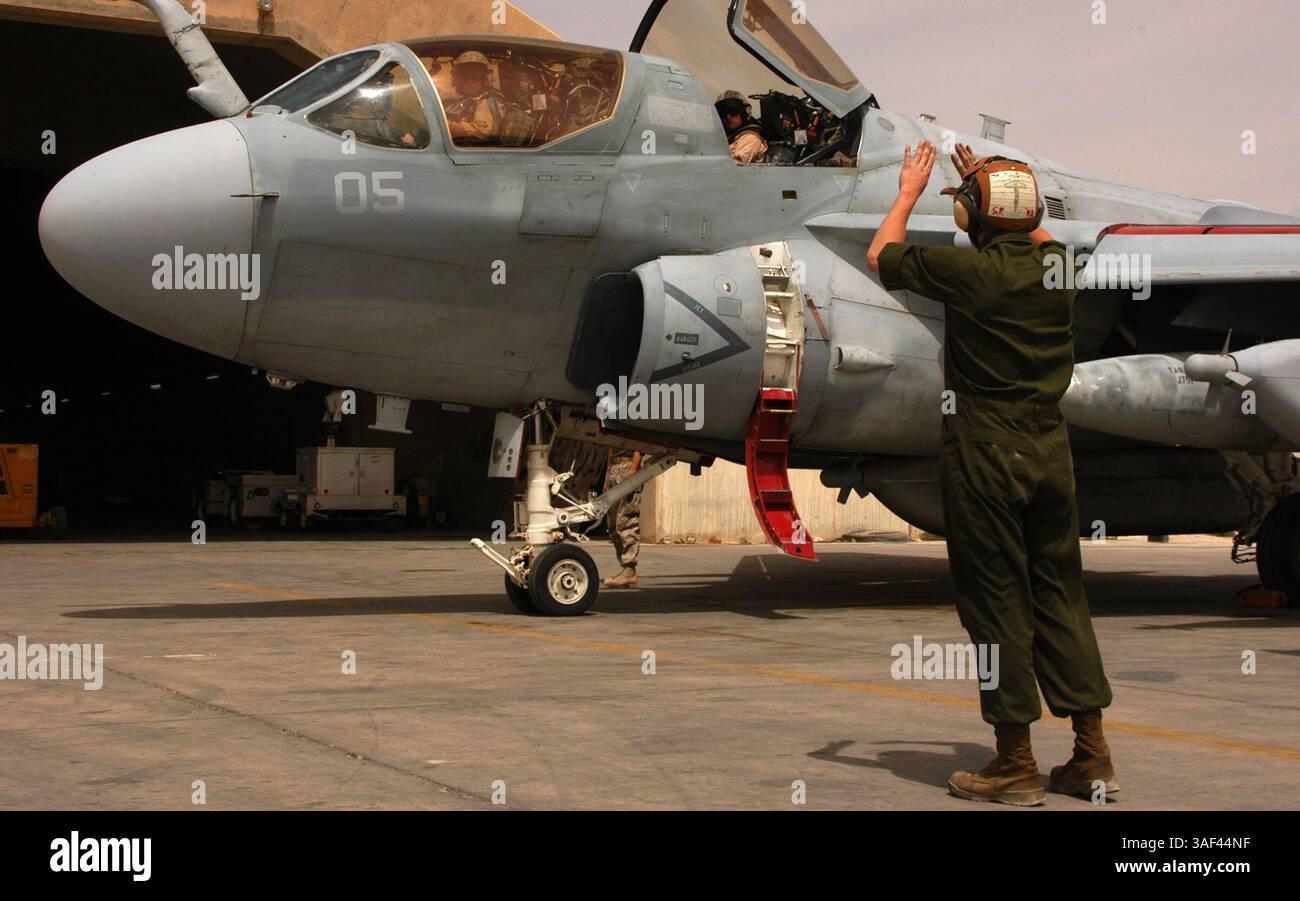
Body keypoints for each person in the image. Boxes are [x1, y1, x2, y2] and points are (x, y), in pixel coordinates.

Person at [866, 140, 1116, 807]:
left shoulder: (968, 273)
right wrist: (998, 190)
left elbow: (880, 254)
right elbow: (1031, 232)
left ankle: (1014, 764)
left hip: (986, 451)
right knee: (1061, 592)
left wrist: (910, 191)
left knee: (996, 601)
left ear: (975, 217)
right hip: (1049, 451)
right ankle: (1091, 756)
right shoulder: (1059, 265)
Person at [444, 51, 505, 144]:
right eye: (466, 77)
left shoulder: (488, 102)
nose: (471, 82)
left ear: (484, 79)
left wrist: (446, 124)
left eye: (476, 77)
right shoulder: (456, 101)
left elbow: (482, 132)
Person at [603, 448, 642, 588]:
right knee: (612, 525)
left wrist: (633, 469)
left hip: (627, 467)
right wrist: (607, 476)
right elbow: (611, 448)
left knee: (625, 521)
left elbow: (640, 445)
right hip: (614, 469)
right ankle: (626, 570)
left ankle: (629, 570)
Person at [715, 90, 767, 165]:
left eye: (733, 111)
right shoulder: (730, 139)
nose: (728, 116)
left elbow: (734, 167)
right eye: (723, 112)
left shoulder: (750, 138)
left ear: (743, 113)